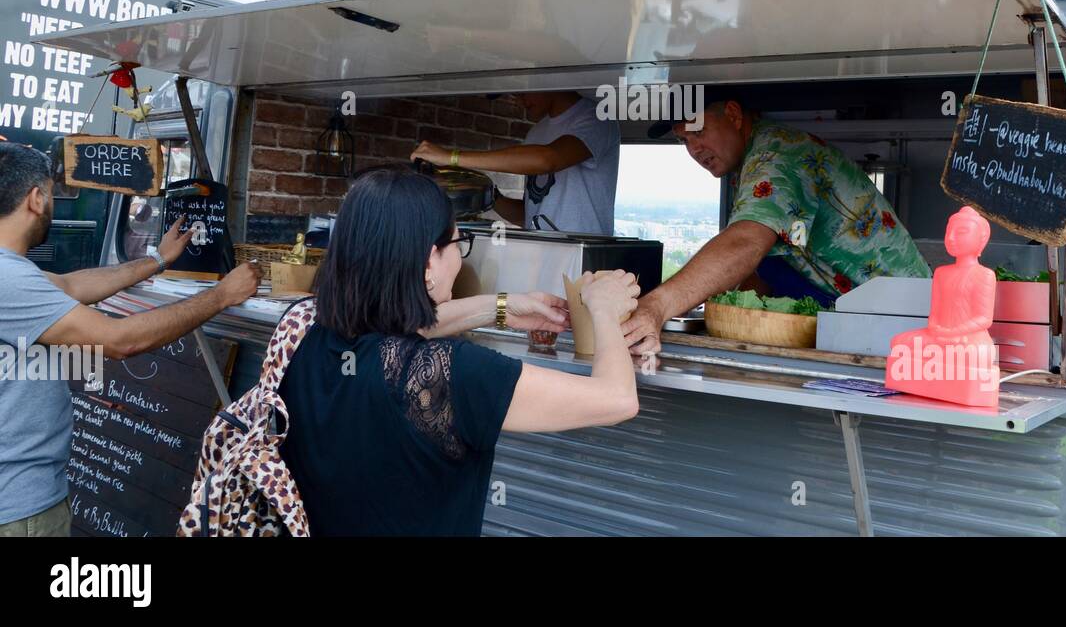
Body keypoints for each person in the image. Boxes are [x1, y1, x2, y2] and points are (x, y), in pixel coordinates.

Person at [277, 164, 639, 536]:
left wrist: (500, 307)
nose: (461, 257)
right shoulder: (451, 373)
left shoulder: (301, 330)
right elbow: (617, 398)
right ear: (427, 261)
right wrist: (603, 309)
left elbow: (395, 327)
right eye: (458, 242)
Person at [0, 142, 260, 537]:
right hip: (18, 511)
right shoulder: (9, 279)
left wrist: (157, 260)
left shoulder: (14, 274)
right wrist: (222, 295)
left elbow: (70, 285)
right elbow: (122, 340)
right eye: (51, 195)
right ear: (36, 199)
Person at [623, 101, 931, 357]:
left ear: (733, 114)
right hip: (860, 318)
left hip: (905, 325)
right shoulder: (748, 164)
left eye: (698, 131)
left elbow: (745, 242)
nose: (693, 148)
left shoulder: (777, 156)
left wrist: (657, 306)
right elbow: (760, 270)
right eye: (684, 140)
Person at [411, 91, 620, 235]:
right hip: (541, 256)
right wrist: (481, 190)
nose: (519, 101)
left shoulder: (596, 117)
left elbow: (547, 159)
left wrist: (452, 156)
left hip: (581, 262)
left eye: (522, 92)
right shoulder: (536, 132)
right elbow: (527, 215)